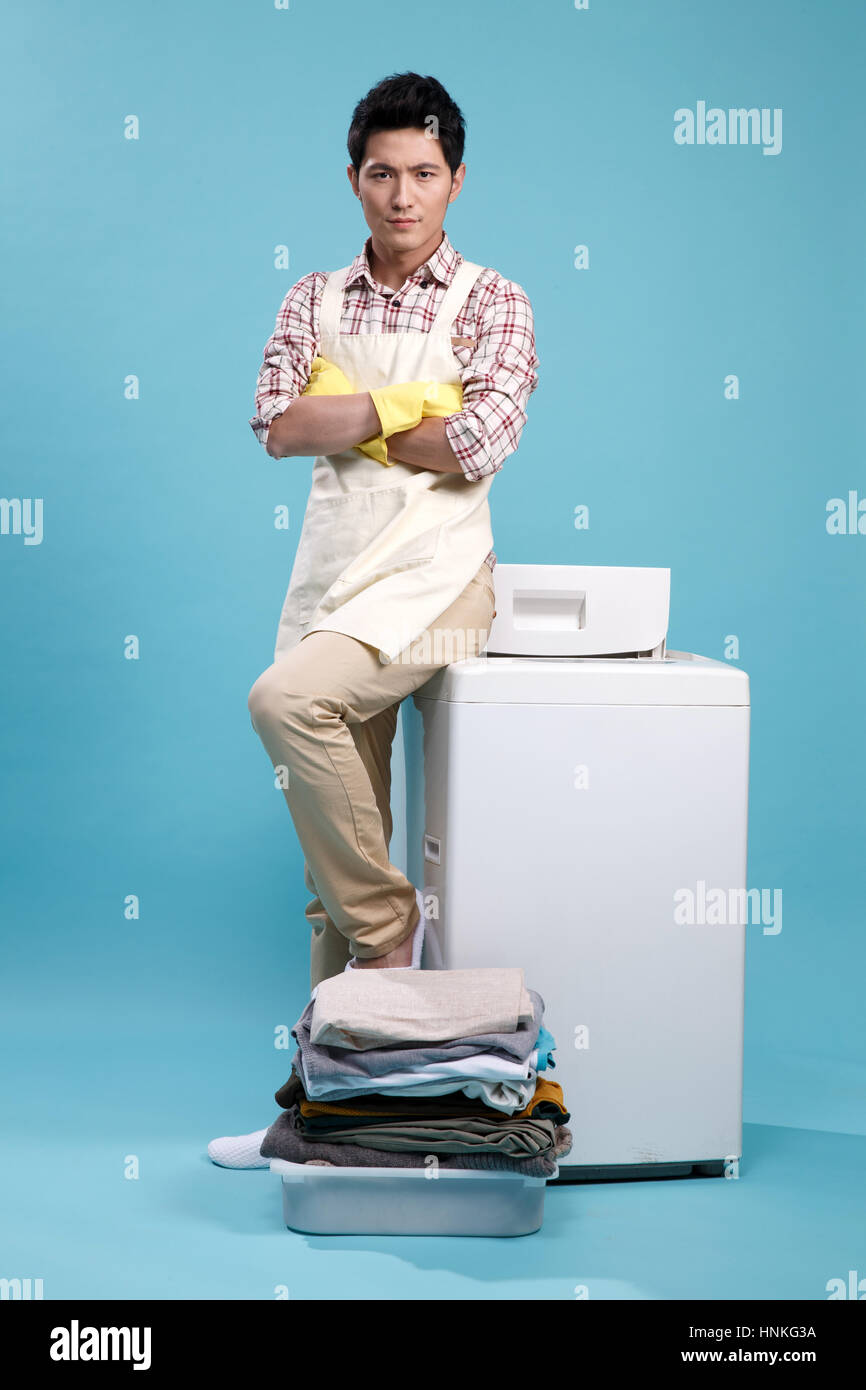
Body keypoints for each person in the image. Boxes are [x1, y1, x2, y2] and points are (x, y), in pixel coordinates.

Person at [208, 71, 539, 1167]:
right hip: (337, 578)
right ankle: (324, 1121)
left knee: (283, 703)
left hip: (440, 580)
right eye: (382, 173)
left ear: (456, 181)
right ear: (353, 179)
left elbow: (474, 445)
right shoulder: (313, 295)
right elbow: (274, 424)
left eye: (424, 175)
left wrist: (346, 411)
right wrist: (406, 405)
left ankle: (392, 926)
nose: (403, 196)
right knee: (321, 878)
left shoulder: (493, 301)